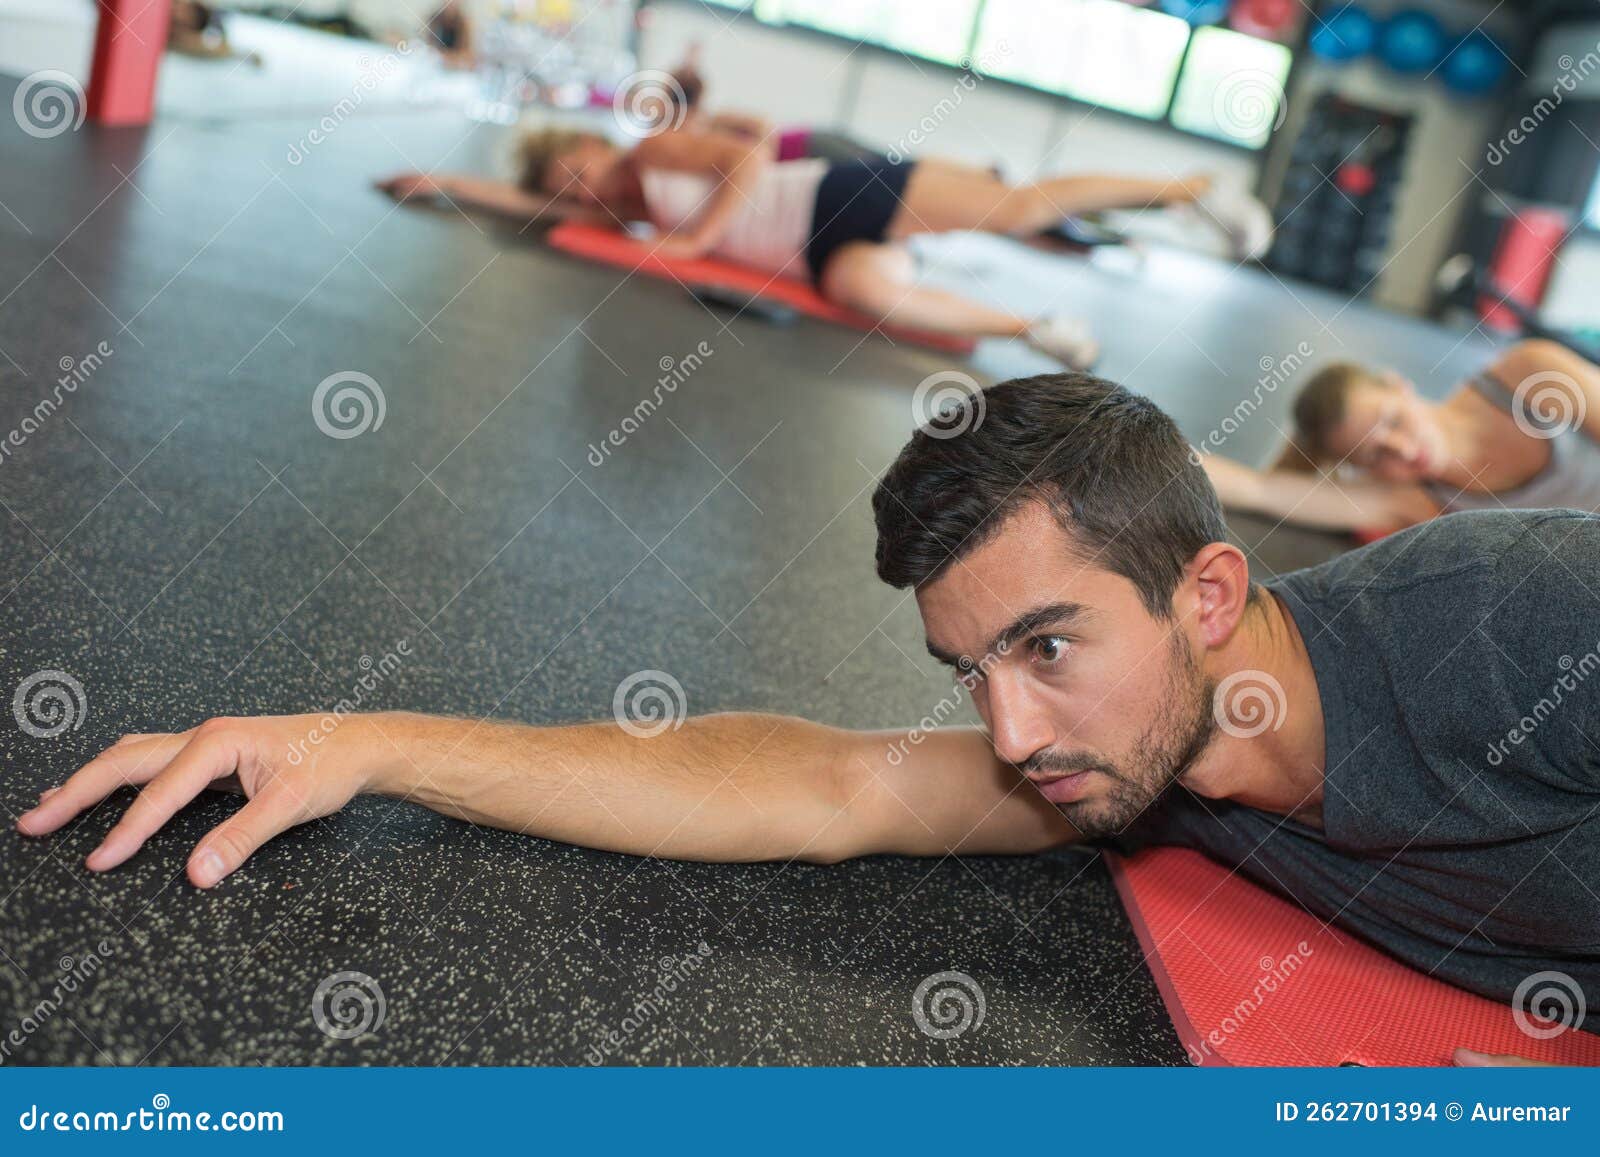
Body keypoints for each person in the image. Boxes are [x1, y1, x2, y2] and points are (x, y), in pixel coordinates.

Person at [21, 375, 1594, 1065]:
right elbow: (824, 782)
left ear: (1205, 593)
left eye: (1048, 642)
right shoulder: (1133, 749)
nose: (1011, 730)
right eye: (971, 670)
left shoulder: (1510, 622)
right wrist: (363, 742)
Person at [376, 124, 1272, 369]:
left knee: (1016, 207)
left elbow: (749, 155)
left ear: (594, 143)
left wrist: (701, 239)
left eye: (580, 166)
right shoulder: (614, 216)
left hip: (839, 189)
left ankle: (1192, 192)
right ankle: (1034, 328)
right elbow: (529, 209)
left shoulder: (652, 153)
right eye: (565, 186)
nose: (583, 187)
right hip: (818, 254)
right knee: (869, 297)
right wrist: (447, 184)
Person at [1203, 338, 1600, 532]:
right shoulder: (1414, 499)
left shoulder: (1526, 376)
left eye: (1393, 421)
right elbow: (1257, 489)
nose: (1404, 451)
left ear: (1398, 385)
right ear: (1366, 471)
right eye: (1376, 456)